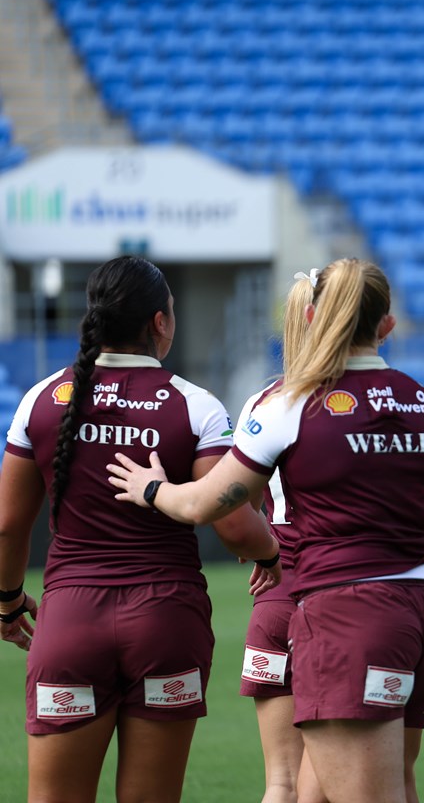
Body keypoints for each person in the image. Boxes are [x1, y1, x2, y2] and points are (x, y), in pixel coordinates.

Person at [108, 258, 424, 803]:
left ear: (315, 316)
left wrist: (152, 488)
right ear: (388, 325)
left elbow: (207, 502)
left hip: (345, 617)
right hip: (421, 615)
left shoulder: (289, 404)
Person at [0, 256, 281, 802]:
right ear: (160, 322)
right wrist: (271, 554)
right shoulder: (194, 404)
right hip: (166, 622)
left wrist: (9, 603)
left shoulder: (41, 398)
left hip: (69, 625)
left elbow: (9, 525)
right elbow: (233, 524)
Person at [235, 271, 312, 803]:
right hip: (356, 597)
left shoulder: (262, 402)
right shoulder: (389, 398)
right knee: (371, 781)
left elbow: (231, 501)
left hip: (277, 594)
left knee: (281, 784)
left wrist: (263, 550)